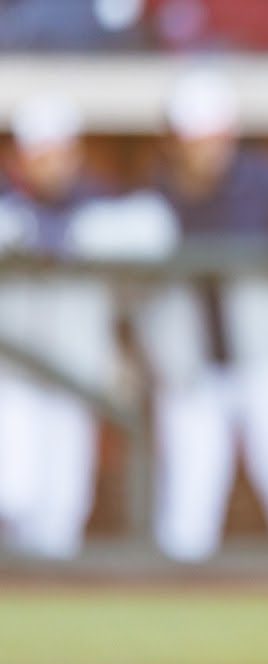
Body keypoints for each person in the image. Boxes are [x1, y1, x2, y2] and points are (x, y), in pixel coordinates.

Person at [133, 69, 268, 563]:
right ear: (174, 140)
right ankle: (179, 624)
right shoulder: (156, 192)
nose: (206, 149)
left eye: (213, 137)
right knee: (186, 515)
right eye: (195, 139)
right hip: (191, 367)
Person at [0, 93, 116, 558]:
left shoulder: (102, 200)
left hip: (75, 378)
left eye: (60, 153)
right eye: (40, 154)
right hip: (11, 376)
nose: (52, 165)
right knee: (13, 495)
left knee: (62, 514)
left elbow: (152, 228)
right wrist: (32, 229)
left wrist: (67, 233)